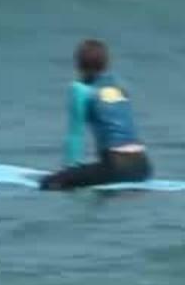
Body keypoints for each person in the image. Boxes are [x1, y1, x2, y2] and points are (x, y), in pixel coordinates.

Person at [40, 39, 152, 190]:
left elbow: (75, 135)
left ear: (78, 64)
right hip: (143, 167)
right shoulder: (119, 87)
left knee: (48, 183)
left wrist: (67, 173)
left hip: (116, 167)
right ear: (106, 63)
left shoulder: (80, 90)